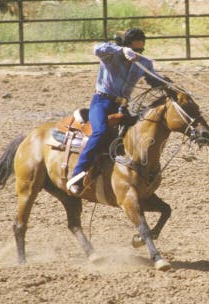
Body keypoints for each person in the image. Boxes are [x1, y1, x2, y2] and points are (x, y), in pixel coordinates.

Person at [66, 27, 165, 195]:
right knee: (101, 131)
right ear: (127, 46)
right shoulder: (111, 55)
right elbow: (97, 48)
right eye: (135, 49)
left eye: (141, 49)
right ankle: (77, 175)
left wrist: (166, 83)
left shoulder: (144, 63)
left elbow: (154, 80)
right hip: (101, 102)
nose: (138, 53)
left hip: (122, 107)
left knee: (138, 134)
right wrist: (122, 50)